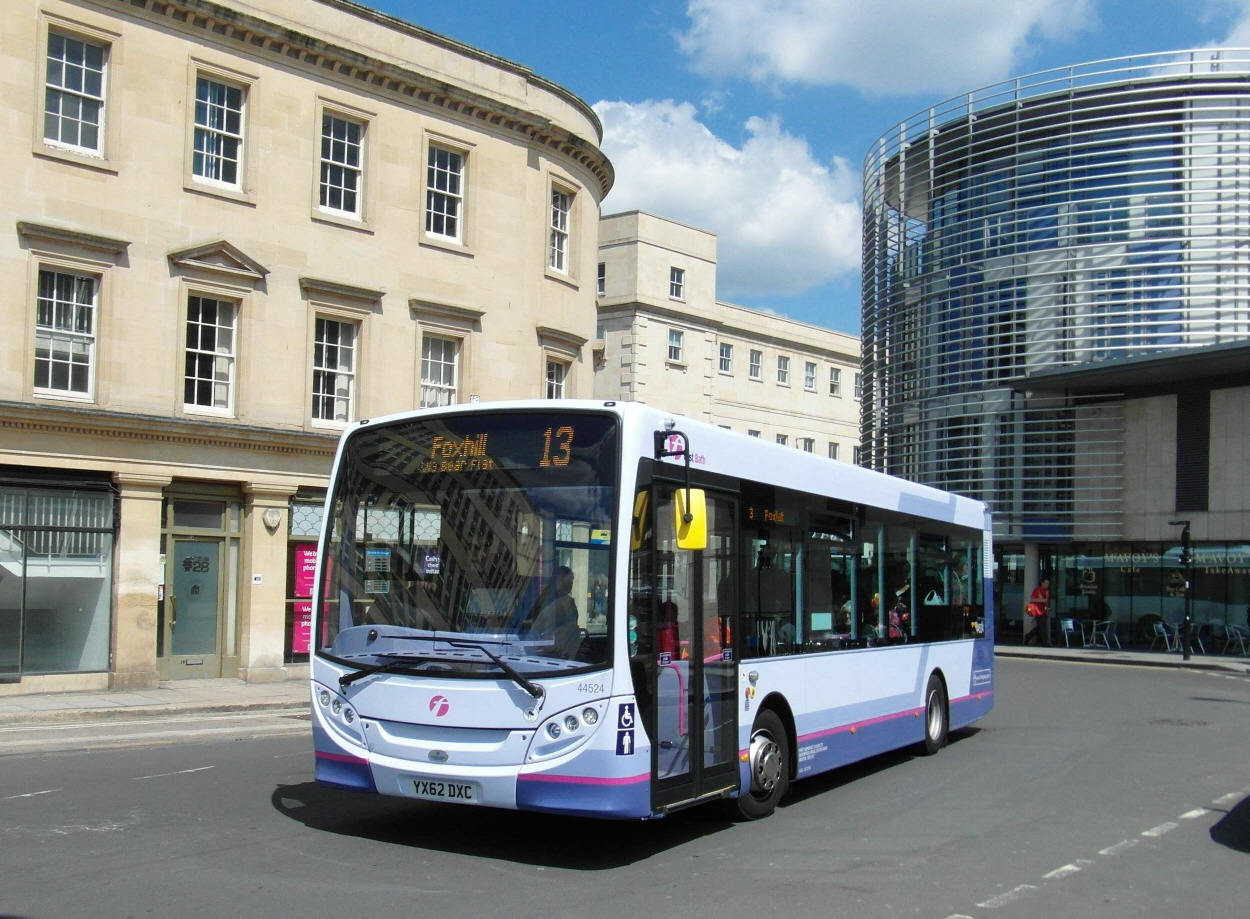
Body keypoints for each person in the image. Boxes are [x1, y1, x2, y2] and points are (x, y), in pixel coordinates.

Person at [530, 566, 581, 656]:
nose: (569, 585)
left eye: (571, 582)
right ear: (557, 580)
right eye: (567, 581)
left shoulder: (570, 602)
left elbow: (571, 628)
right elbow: (538, 631)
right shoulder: (547, 602)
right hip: (548, 653)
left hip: (567, 652)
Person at [1023, 577, 1050, 645]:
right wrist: (1042, 600)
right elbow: (1033, 599)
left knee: (1041, 626)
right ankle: (1045, 642)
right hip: (1038, 611)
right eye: (1046, 583)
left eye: (1048, 583)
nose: (1047, 585)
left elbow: (1046, 602)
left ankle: (1028, 636)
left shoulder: (1046, 591)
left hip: (1043, 610)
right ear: (1042, 583)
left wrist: (1047, 608)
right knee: (1043, 626)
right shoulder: (1038, 590)